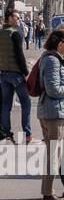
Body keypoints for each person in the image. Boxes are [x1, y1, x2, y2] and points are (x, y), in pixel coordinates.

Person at [36, 27, 64, 200]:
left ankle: (48, 192)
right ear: (61, 43)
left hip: (53, 110)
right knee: (55, 154)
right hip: (54, 112)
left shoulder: (53, 59)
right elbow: (53, 89)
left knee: (55, 153)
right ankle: (48, 193)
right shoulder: (53, 61)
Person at [0, 8, 33, 145]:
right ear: (9, 18)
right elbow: (20, 56)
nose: (19, 20)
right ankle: (27, 134)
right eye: (17, 17)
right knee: (26, 103)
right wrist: (26, 73)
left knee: (6, 105)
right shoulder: (15, 34)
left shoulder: (1, 33)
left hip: (4, 74)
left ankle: (7, 133)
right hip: (16, 75)